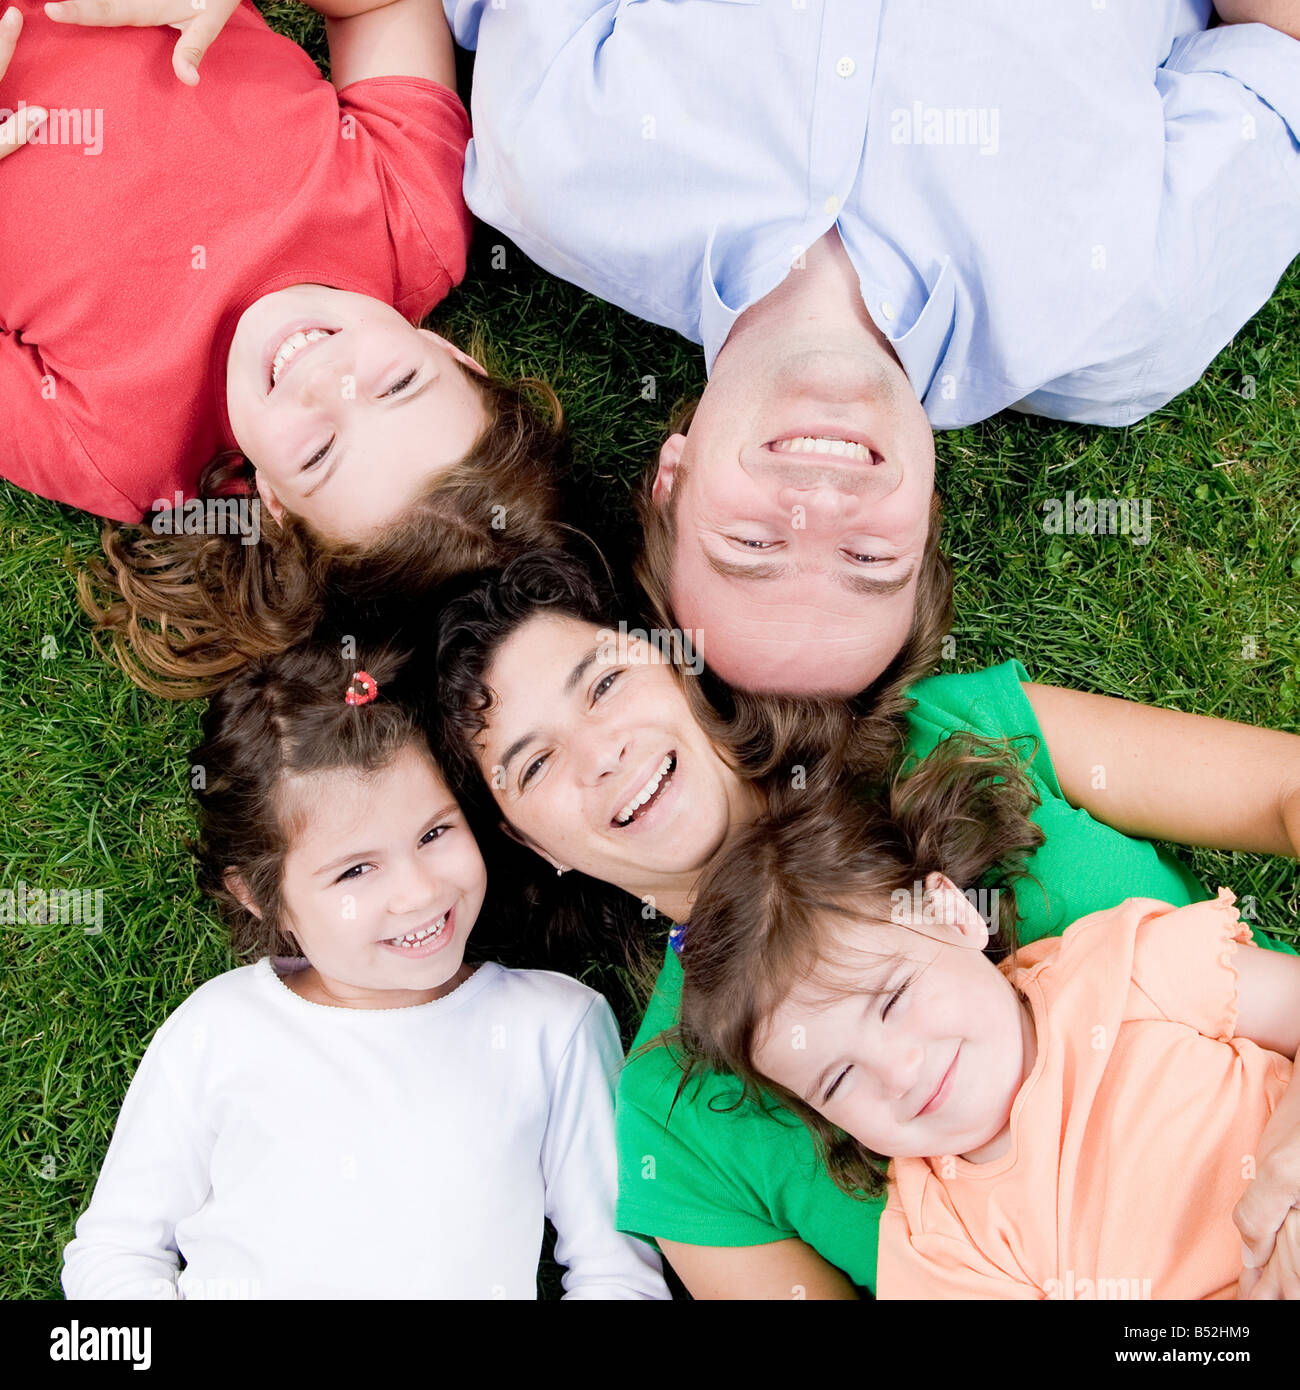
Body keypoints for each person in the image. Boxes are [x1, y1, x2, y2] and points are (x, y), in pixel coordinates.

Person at [429, 548, 1300, 1298]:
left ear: (677, 661)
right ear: (524, 840)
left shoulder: (953, 731)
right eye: (533, 764)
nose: (599, 754)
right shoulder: (674, 1119)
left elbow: (1284, 794)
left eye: (607, 683)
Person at [441, 0, 1300, 696]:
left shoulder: (558, 175)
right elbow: (1278, 57)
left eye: (750, 546)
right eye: (868, 558)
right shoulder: (1127, 321)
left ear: (674, 477)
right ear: (926, 518)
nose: (819, 506)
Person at [60, 641, 668, 1299]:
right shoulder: (220, 1027)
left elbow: (615, 1274)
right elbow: (116, 1251)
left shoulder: (554, 1028)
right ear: (260, 897)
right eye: (355, 869)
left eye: (435, 833)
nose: (420, 892)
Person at [0, 0, 566, 697]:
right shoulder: (411, 217)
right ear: (452, 357)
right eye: (396, 385)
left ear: (271, 503)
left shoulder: (116, 452)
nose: (327, 380)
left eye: (319, 453)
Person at [675, 739, 1300, 1299]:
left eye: (893, 999)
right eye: (837, 1081)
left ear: (955, 915)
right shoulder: (941, 1240)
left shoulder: (1125, 969)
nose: (897, 1071)